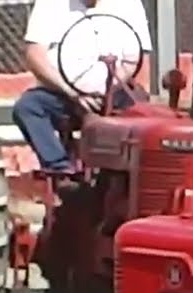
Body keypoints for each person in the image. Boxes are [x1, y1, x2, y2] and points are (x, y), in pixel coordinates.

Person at [13, 0, 152, 175]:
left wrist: (114, 87)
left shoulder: (129, 4)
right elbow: (35, 54)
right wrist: (72, 92)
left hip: (117, 93)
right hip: (65, 96)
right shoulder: (49, 4)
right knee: (28, 107)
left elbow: (138, 57)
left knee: (147, 115)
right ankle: (60, 166)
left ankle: (135, 171)